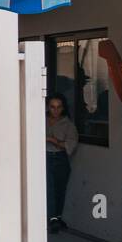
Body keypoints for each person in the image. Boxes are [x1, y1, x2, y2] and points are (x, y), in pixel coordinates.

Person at [45, 93, 79, 233]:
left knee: (60, 189)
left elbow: (70, 145)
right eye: (52, 107)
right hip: (45, 156)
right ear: (48, 107)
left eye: (58, 107)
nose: (55, 110)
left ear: (63, 108)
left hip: (60, 158)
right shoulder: (41, 120)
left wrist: (52, 140)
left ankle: (57, 217)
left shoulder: (68, 125)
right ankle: (52, 219)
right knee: (49, 188)